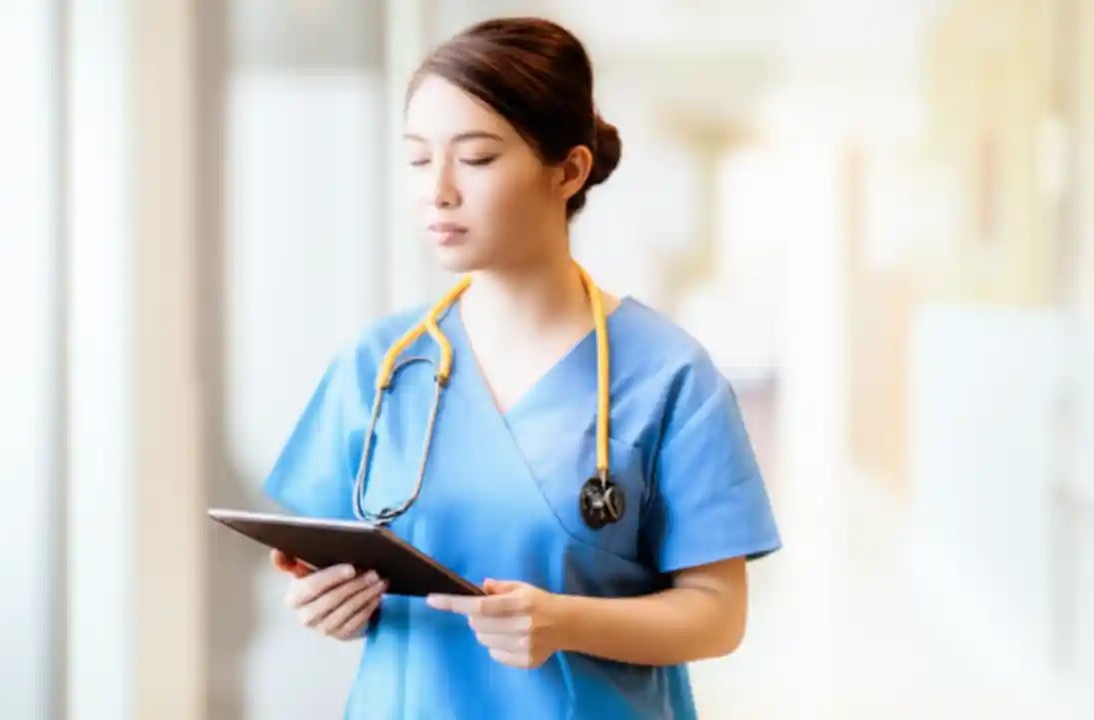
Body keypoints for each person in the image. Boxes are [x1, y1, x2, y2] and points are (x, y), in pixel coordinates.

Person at [263, 16, 781, 719]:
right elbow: (327, 567)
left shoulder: (668, 377)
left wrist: (568, 622)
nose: (439, 190)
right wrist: (328, 605)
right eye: (418, 159)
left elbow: (718, 614)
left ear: (569, 170)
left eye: (476, 158)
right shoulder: (381, 366)